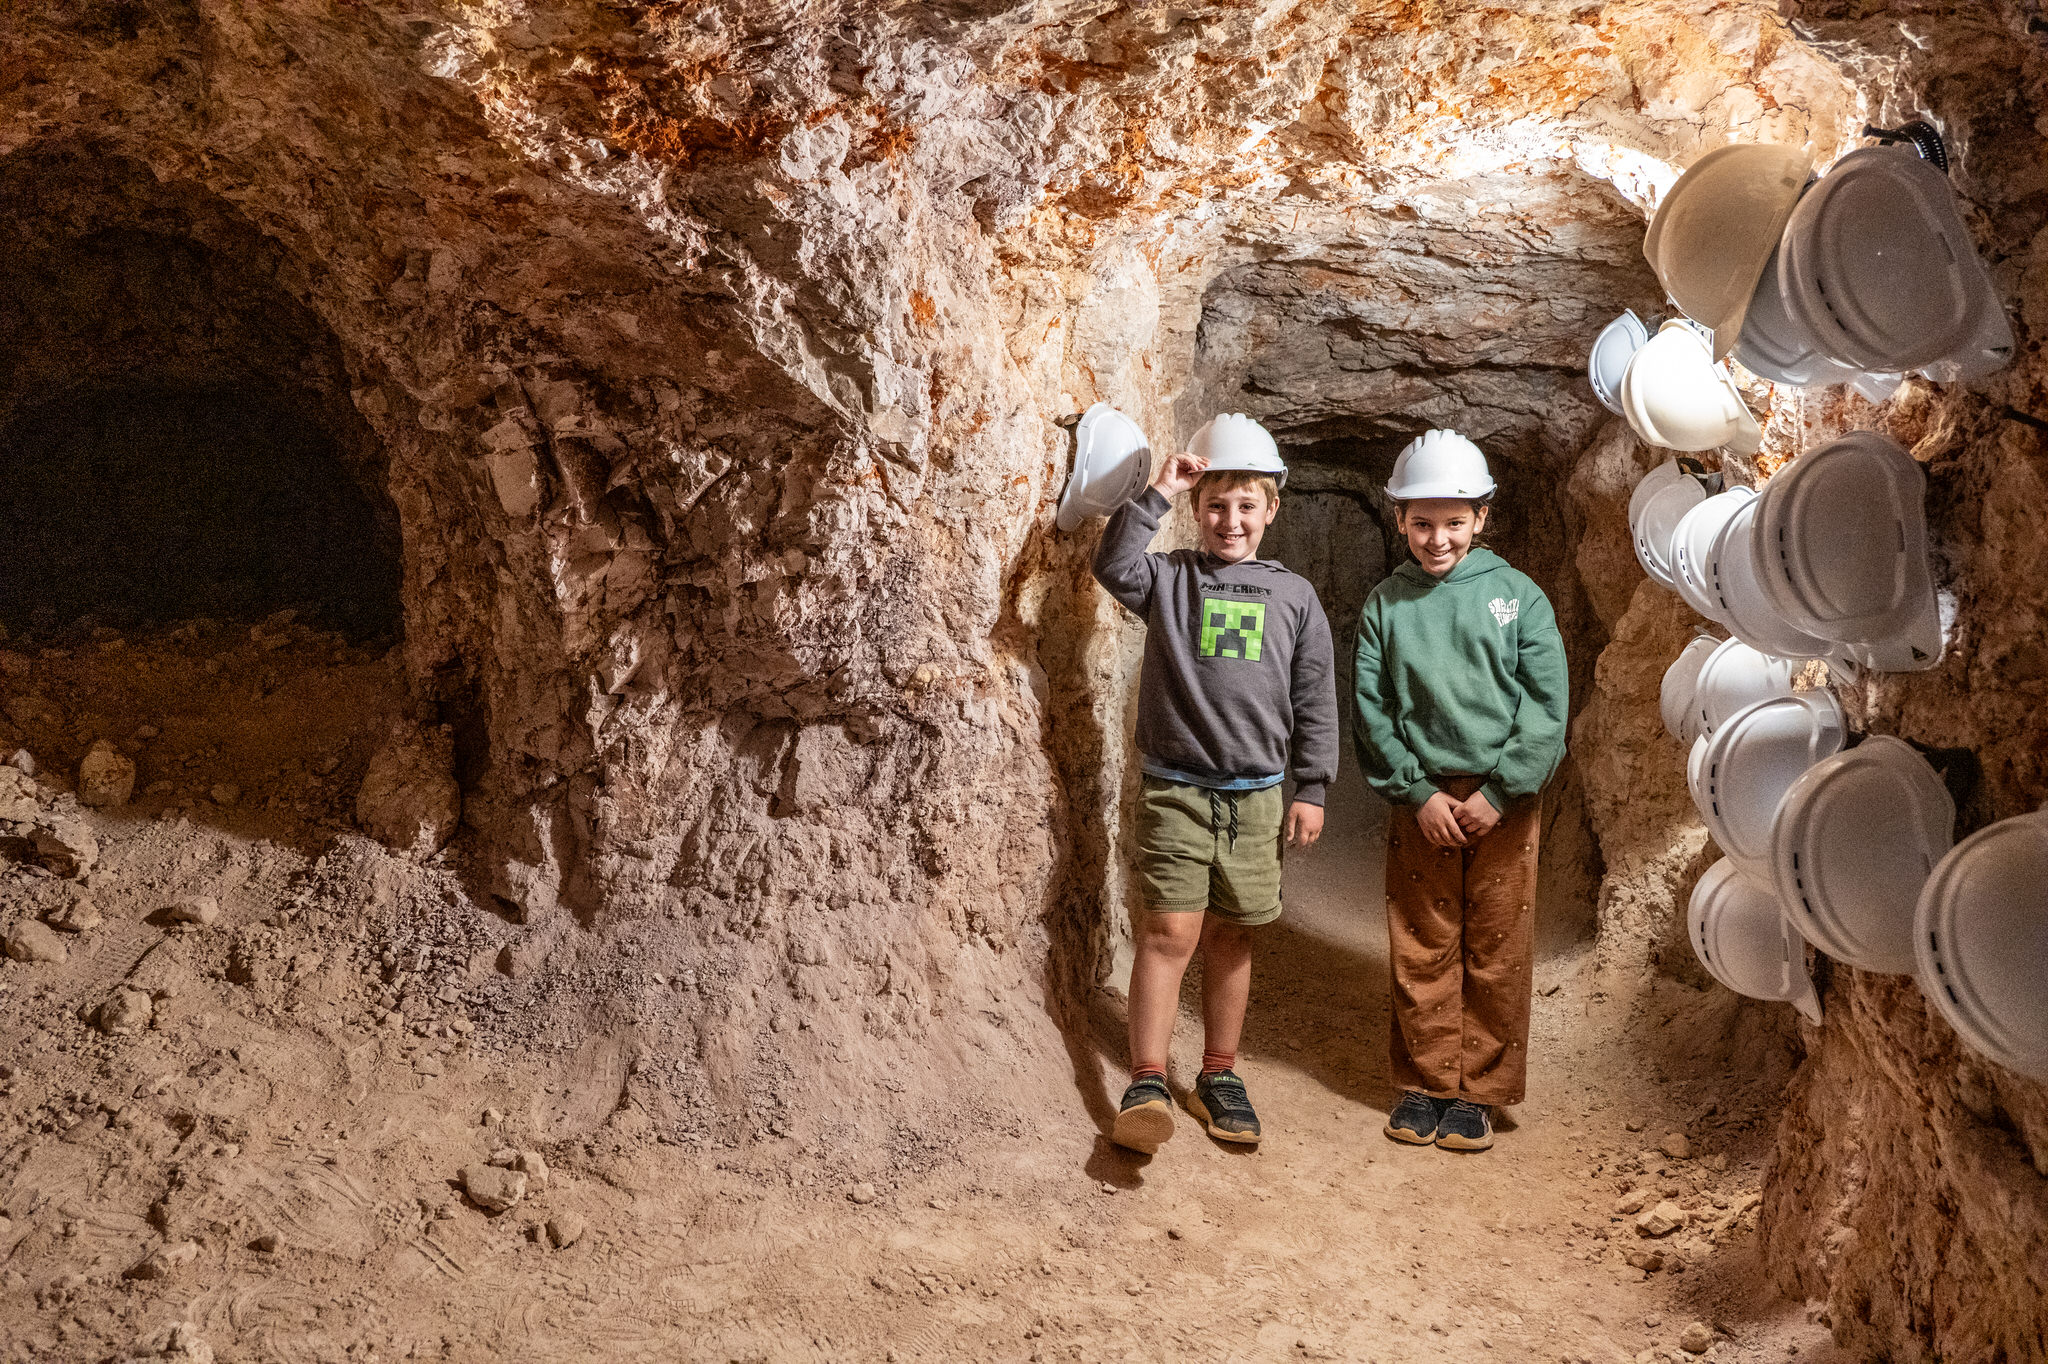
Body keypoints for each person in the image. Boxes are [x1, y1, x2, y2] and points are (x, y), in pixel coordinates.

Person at [1092, 413, 1338, 1154]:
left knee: (1233, 936)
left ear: (1271, 509)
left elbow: (1314, 698)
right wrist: (1159, 492)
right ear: (1197, 509)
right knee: (1170, 932)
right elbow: (1114, 564)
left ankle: (1220, 1074)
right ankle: (1146, 1080)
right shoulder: (1170, 579)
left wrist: (1312, 787)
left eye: (1246, 505)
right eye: (1216, 505)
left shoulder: (1295, 598)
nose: (1231, 520)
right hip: (1176, 790)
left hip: (1257, 796)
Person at [1352, 429, 1568, 1153]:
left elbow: (1546, 706)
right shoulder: (1386, 606)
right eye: (1421, 522)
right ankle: (1425, 1082)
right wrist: (1415, 792)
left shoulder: (1517, 598)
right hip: (1424, 800)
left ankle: (1478, 1092)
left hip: (1503, 801)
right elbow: (1373, 709)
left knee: (1497, 940)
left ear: (1481, 517)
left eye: (1453, 521)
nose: (1437, 538)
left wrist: (1501, 793)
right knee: (1423, 937)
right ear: (1400, 520)